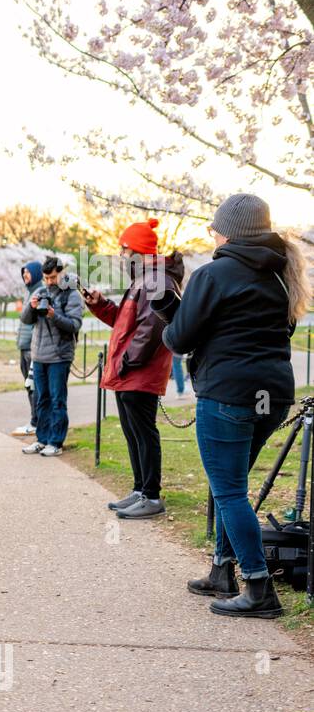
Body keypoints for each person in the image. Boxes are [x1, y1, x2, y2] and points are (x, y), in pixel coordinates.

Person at [150, 193, 310, 618]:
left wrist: (171, 314)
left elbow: (179, 340)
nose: (210, 231)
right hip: (272, 394)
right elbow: (280, 330)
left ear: (232, 231)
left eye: (215, 225)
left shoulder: (214, 274)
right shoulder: (283, 273)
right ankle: (222, 570)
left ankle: (258, 588)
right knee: (232, 486)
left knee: (230, 491)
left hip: (227, 392)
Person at [82, 219, 182, 519]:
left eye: (124, 249)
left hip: (139, 372)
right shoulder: (143, 279)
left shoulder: (157, 280)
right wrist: (100, 305)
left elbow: (151, 328)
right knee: (132, 432)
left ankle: (151, 496)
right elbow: (126, 324)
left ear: (138, 250)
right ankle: (140, 489)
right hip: (129, 373)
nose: (120, 254)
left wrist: (127, 362)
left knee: (143, 433)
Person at [21, 256, 84, 456]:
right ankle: (42, 439)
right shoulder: (40, 291)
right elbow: (25, 320)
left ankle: (55, 442)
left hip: (60, 355)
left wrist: (53, 314)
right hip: (39, 355)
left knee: (57, 400)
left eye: (53, 277)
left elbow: (74, 324)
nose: (49, 282)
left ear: (62, 273)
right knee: (42, 399)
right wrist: (31, 307)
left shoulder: (71, 295)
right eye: (47, 278)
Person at [11, 262, 44, 437]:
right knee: (29, 386)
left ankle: (36, 422)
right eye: (23, 274)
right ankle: (34, 420)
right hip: (24, 347)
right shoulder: (29, 292)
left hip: (32, 348)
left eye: (28, 274)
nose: (25, 277)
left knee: (34, 387)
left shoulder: (39, 293)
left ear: (37, 274)